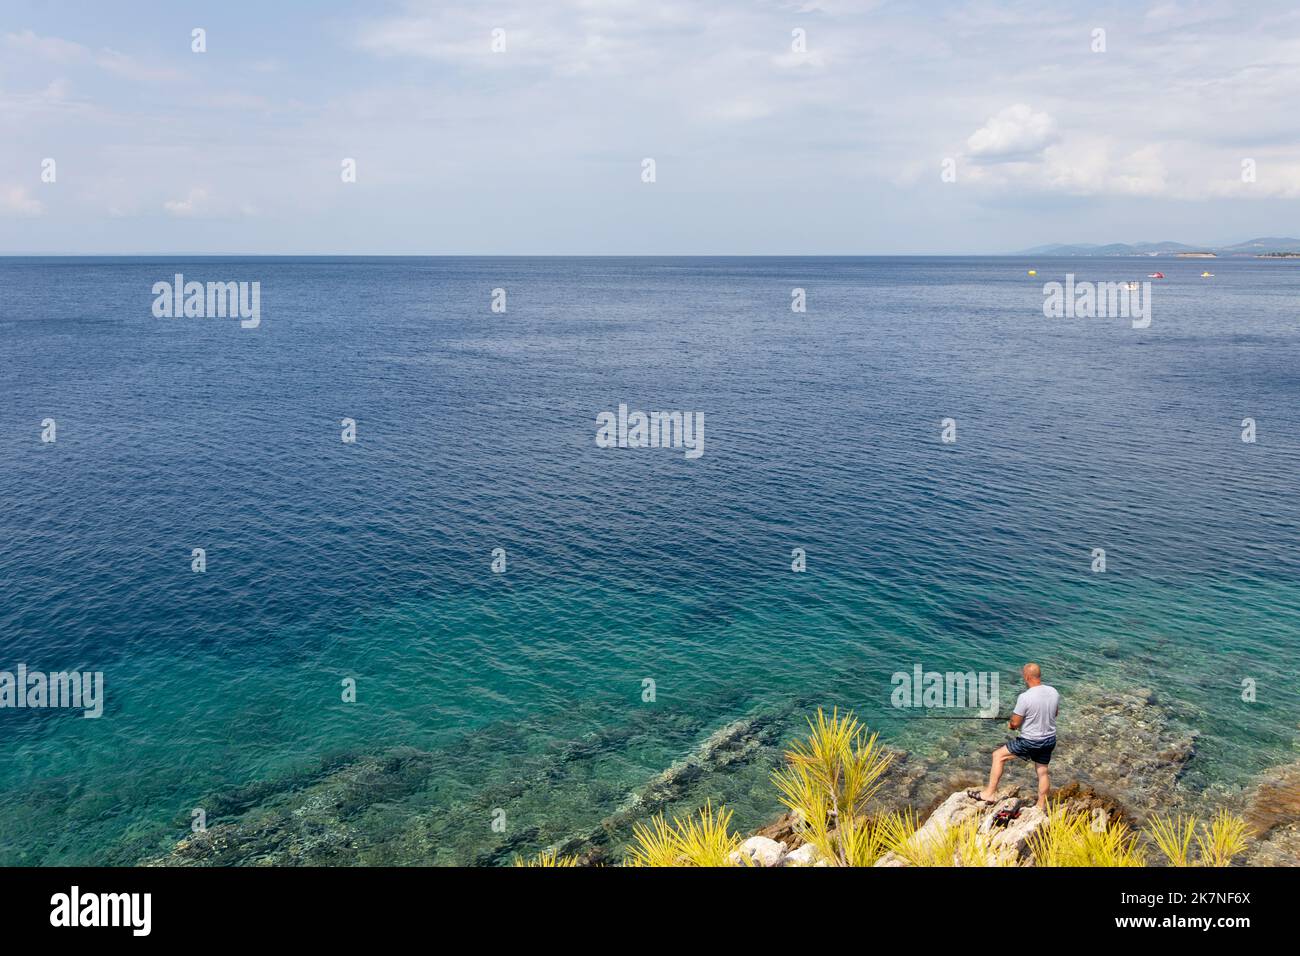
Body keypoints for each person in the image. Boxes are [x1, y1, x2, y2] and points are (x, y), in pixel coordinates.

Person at [971, 663, 1059, 810]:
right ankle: (1041, 805)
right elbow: (1055, 713)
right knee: (1042, 771)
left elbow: (1015, 724)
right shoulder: (1053, 691)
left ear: (1026, 677)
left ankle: (989, 794)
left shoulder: (1025, 697)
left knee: (998, 756)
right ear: (1039, 675)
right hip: (1049, 739)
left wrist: (1011, 725)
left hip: (1030, 741)